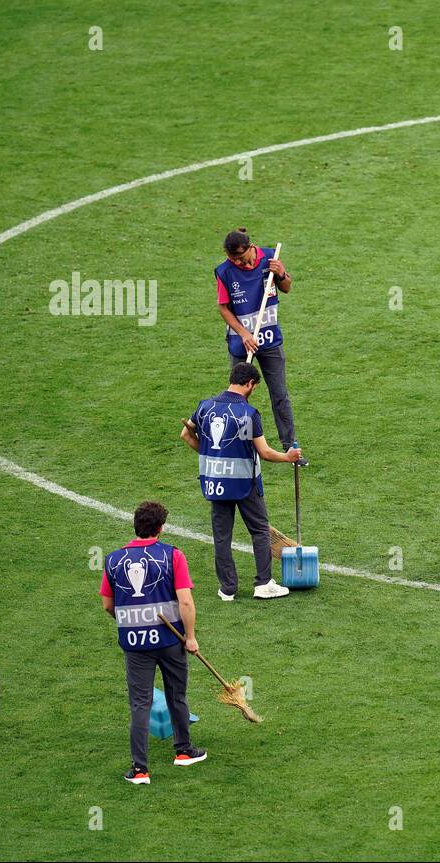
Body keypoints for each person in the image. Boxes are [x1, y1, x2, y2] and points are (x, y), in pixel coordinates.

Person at [100, 500, 207, 784]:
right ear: (160, 528)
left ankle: (140, 769)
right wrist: (192, 637)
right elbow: (185, 600)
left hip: (135, 645)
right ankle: (183, 751)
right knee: (176, 695)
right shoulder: (173, 555)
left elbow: (108, 605)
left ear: (136, 526)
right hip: (171, 641)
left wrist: (132, 622)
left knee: (140, 704)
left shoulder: (112, 560)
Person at [181, 363, 303, 601]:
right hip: (245, 483)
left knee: (222, 535)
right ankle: (263, 583)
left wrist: (212, 455)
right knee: (259, 530)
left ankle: (227, 589)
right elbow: (265, 453)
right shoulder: (248, 414)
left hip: (215, 481)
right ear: (249, 384)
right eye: (254, 387)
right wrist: (288, 457)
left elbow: (186, 434)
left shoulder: (205, 407)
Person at [214, 228, 305, 462]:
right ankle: (237, 446)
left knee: (280, 394)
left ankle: (289, 448)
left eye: (239, 257)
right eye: (231, 258)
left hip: (270, 340)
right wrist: (244, 334)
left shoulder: (270, 258)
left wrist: (281, 273)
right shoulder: (224, 271)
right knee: (238, 396)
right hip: (242, 344)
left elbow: (286, 287)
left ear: (250, 247)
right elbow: (223, 307)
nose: (235, 262)